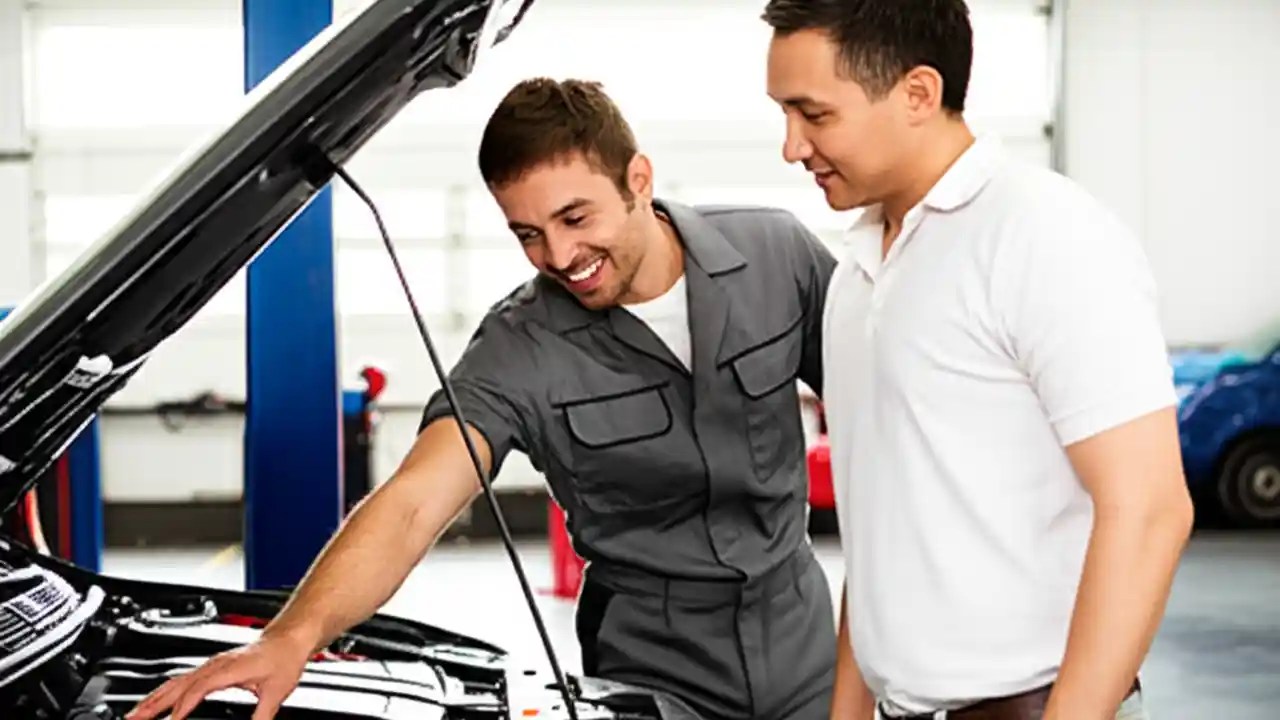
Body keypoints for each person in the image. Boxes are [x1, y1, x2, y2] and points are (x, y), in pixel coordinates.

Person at [126, 77, 840, 720]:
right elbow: (411, 505)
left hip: (809, 654)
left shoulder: (778, 258)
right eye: (528, 234)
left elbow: (890, 405)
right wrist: (294, 636)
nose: (560, 257)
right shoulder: (519, 346)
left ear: (639, 179)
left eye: (575, 218)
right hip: (656, 677)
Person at [760, 1, 1195, 719]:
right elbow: (879, 534)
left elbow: (1149, 509)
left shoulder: (1043, 233)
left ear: (918, 94)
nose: (791, 146)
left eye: (814, 115)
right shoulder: (857, 273)